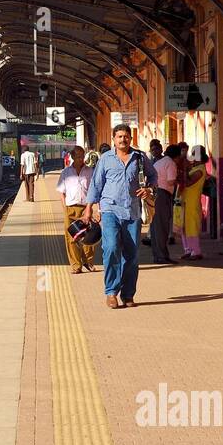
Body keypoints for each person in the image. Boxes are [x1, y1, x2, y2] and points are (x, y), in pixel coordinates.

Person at [80, 124, 155, 308]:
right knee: (112, 248)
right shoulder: (105, 159)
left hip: (132, 212)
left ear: (131, 138)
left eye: (126, 136)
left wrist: (149, 189)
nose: (123, 139)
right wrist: (89, 208)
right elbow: (96, 185)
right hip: (109, 211)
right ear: (114, 139)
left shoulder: (140, 157)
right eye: (119, 136)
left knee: (131, 255)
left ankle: (128, 294)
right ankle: (111, 292)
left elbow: (154, 176)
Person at [56, 146, 95, 274]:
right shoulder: (66, 173)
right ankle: (75, 265)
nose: (81, 159)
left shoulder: (90, 171)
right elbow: (61, 193)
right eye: (78, 156)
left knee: (88, 237)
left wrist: (96, 208)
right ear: (72, 157)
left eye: (82, 156)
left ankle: (88, 262)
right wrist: (65, 209)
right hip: (70, 208)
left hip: (86, 208)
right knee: (72, 238)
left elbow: (95, 190)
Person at [179, 144, 210, 260]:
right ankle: (188, 249)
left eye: (193, 153)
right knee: (184, 226)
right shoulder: (194, 168)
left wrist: (185, 171)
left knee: (192, 226)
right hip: (186, 200)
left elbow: (188, 182)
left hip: (193, 202)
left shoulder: (200, 170)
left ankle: (196, 251)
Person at [150, 143, 179, 264]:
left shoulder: (159, 162)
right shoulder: (170, 163)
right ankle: (162, 255)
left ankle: (158, 255)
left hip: (155, 193)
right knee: (162, 226)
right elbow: (171, 181)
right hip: (163, 193)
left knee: (156, 226)